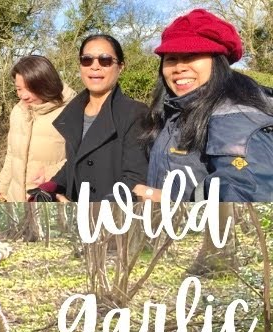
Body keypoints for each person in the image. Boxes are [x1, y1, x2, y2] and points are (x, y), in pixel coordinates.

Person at [136, 9, 273, 202]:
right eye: (171, 58)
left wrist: (169, 203)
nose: (179, 67)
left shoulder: (235, 115)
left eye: (191, 55)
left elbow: (244, 207)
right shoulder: (173, 112)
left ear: (218, 62)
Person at [46, 34, 150, 202]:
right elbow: (75, 163)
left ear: (120, 67)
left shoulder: (135, 113)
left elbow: (135, 177)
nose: (95, 67)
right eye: (87, 60)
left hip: (114, 218)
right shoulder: (73, 113)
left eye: (105, 60)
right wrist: (50, 187)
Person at [0, 55, 76, 201]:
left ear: (46, 84)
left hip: (49, 199)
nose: (23, 96)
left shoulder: (73, 111)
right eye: (18, 89)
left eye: (30, 89)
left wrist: (50, 173)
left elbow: (83, 159)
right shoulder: (18, 111)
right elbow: (12, 154)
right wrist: (1, 186)